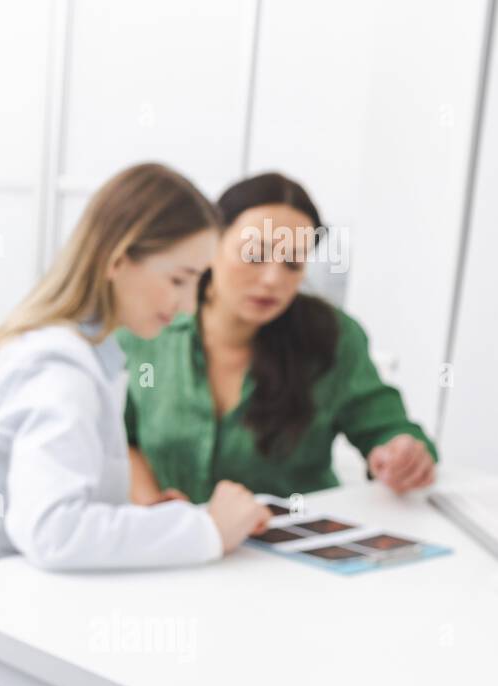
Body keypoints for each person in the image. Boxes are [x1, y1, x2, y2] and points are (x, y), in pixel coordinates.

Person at [0, 164, 270, 686]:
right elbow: (53, 531)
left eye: (198, 283)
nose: (186, 303)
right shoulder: (59, 369)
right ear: (118, 259)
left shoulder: (83, 350)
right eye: (178, 279)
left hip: (6, 613)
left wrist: (152, 518)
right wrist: (205, 529)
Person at [121, 172, 437, 506]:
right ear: (211, 245)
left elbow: (386, 430)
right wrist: (156, 511)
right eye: (255, 254)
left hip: (291, 545)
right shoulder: (152, 324)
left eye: (292, 263)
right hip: (177, 541)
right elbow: (121, 439)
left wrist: (401, 454)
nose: (273, 279)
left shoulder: (334, 336)